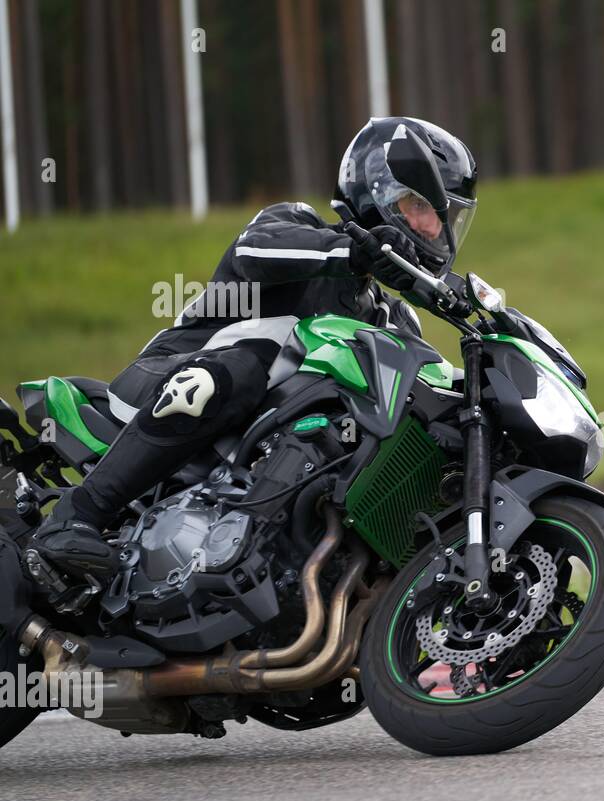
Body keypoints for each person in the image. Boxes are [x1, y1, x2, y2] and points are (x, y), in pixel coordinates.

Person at [31, 117, 478, 583]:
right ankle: (76, 515)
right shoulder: (295, 226)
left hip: (249, 451)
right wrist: (353, 252)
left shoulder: (391, 320)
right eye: (419, 205)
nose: (433, 228)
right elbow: (255, 250)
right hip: (171, 378)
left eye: (446, 216)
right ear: (378, 194)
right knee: (260, 352)